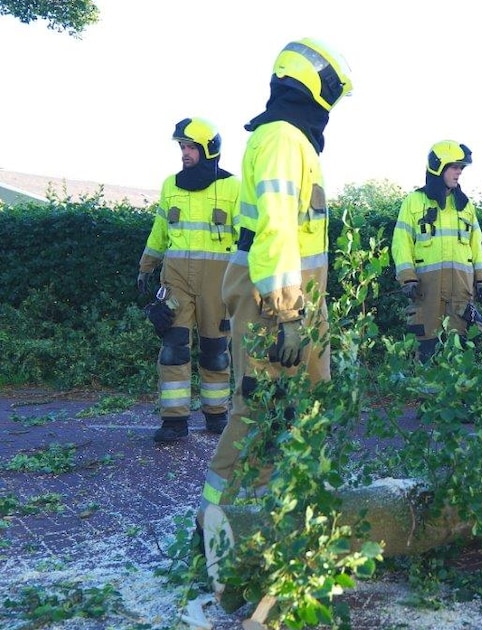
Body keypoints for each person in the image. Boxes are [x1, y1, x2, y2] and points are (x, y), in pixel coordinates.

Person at [199, 38, 352, 515]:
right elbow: (276, 228)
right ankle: (215, 520)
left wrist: (308, 310)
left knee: (309, 400)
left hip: (297, 298)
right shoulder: (283, 138)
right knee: (261, 406)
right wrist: (288, 312)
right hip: (276, 298)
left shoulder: (293, 140)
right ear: (312, 86)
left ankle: (285, 512)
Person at [137, 117, 239, 443]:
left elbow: (247, 236)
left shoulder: (234, 187)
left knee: (216, 352)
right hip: (176, 278)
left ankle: (216, 415)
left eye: (191, 146)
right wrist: (146, 265)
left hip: (218, 283)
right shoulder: (170, 185)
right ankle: (174, 421)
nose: (185, 152)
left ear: (209, 148)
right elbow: (160, 231)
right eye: (182, 147)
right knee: (173, 349)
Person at [391, 140, 482, 362]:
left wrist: (481, 279)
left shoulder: (466, 206)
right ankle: (427, 397)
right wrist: (407, 278)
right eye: (454, 167)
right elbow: (401, 242)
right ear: (438, 167)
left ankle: (460, 397)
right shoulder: (414, 202)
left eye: (461, 168)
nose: (459, 173)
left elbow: (476, 245)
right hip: (426, 292)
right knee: (428, 347)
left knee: (460, 348)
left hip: (461, 292)